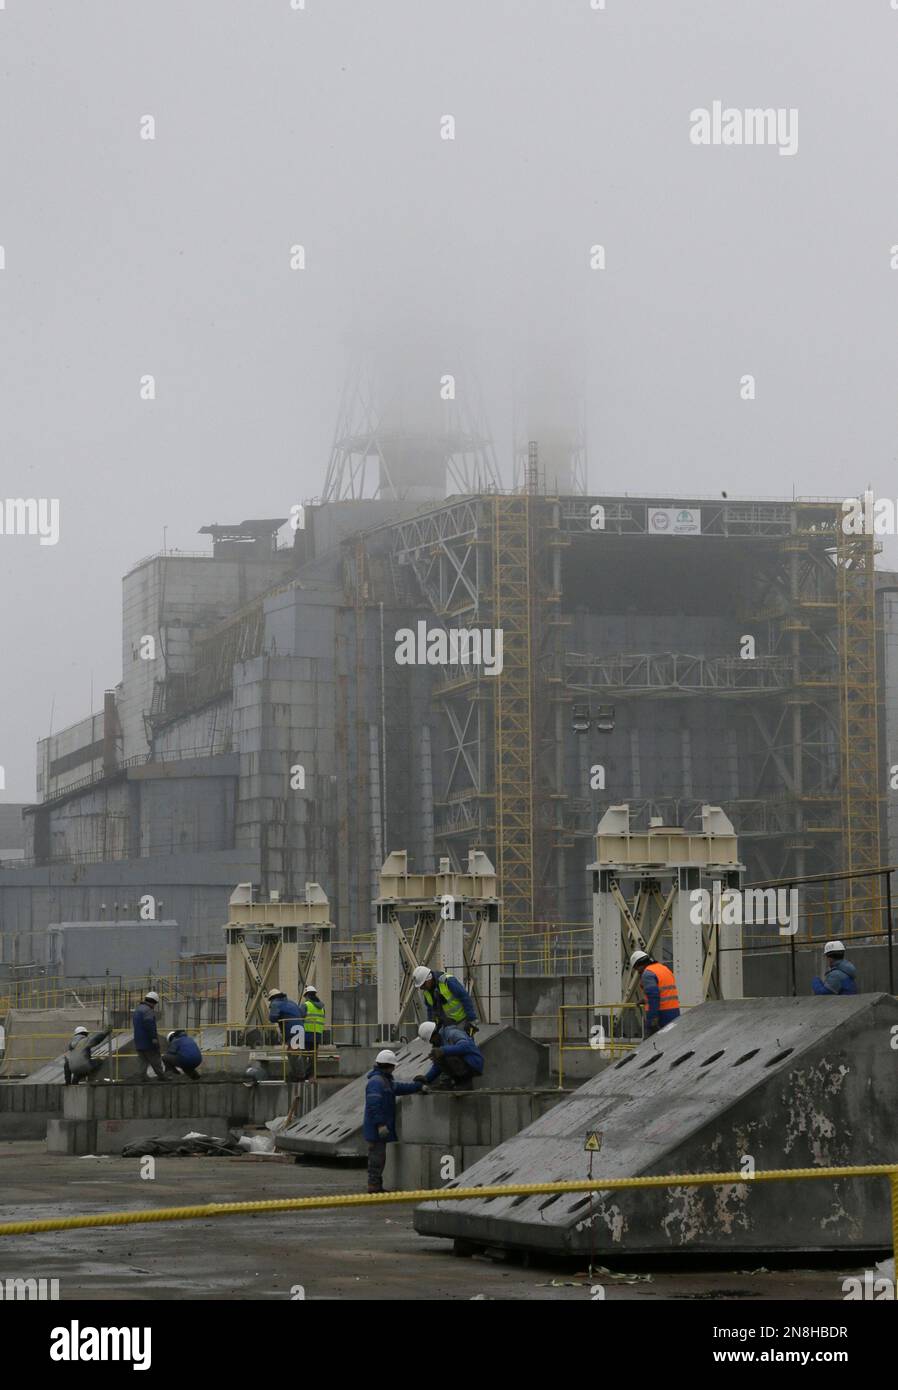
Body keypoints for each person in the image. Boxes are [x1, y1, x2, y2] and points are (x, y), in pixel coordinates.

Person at [363, 1049, 422, 1194]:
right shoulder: (377, 1082)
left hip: (376, 1127)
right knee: (376, 1158)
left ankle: (376, 1185)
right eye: (393, 1065)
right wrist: (380, 1124)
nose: (394, 1068)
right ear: (388, 1066)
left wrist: (418, 1086)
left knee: (379, 1157)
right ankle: (374, 1186)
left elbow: (400, 1087)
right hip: (376, 1128)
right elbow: (374, 1105)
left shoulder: (385, 1081)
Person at [413, 1020, 484, 1091]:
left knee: (446, 1054)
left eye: (432, 1040)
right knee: (438, 1058)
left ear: (435, 1033)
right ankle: (450, 1084)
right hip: (464, 1063)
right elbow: (437, 1066)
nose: (432, 1043)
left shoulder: (452, 1033)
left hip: (473, 1062)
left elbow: (466, 1046)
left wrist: (443, 1050)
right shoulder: (440, 1042)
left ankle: (466, 1083)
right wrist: (427, 1078)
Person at [411, 965, 477, 1033]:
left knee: (464, 1042)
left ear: (429, 978)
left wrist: (472, 1019)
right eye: (420, 986)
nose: (422, 988)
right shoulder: (426, 992)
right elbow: (430, 1010)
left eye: (423, 985)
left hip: (462, 1021)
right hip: (446, 1024)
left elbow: (464, 997)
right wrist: (431, 1027)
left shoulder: (448, 981)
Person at [630, 950, 680, 1034]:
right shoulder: (664, 968)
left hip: (661, 1015)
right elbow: (664, 992)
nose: (638, 972)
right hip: (674, 1013)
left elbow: (654, 997)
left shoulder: (648, 974)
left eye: (636, 968)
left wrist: (652, 1020)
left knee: (653, 1044)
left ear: (639, 965)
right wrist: (646, 1000)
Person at [131, 990, 167, 1081]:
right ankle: (162, 1076)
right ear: (154, 1002)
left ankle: (142, 1077)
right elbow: (150, 1025)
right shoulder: (148, 1011)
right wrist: (154, 1038)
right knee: (155, 1059)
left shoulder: (137, 1009)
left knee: (143, 1060)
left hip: (138, 1041)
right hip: (148, 1041)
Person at [296, 983, 326, 1080]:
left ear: (307, 995)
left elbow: (299, 1017)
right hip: (317, 1035)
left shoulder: (306, 1005)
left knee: (304, 1055)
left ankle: (303, 1075)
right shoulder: (321, 1008)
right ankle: (312, 1075)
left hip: (306, 1034)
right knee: (313, 1056)